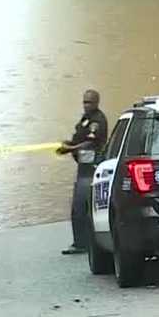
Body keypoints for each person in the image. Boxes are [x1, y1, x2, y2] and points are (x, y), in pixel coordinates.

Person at [56, 89, 108, 254]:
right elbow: (80, 138)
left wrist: (70, 148)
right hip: (83, 168)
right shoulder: (86, 119)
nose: (86, 105)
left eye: (89, 102)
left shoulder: (97, 120)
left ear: (97, 102)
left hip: (91, 168)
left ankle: (84, 243)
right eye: (84, 102)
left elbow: (90, 143)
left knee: (81, 206)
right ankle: (81, 242)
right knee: (79, 207)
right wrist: (68, 144)